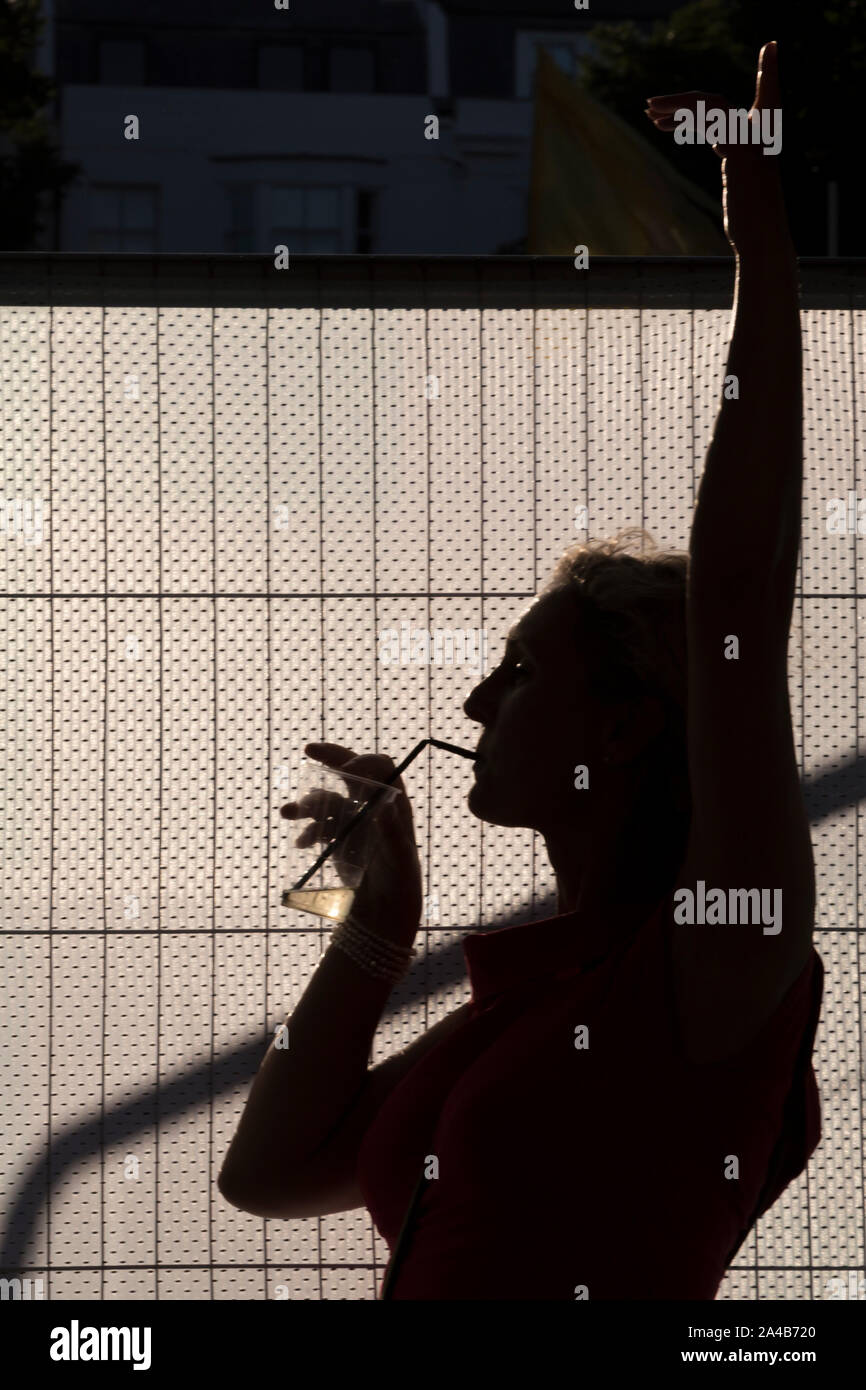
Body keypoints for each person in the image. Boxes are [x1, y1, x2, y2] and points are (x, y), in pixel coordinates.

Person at [218, 41, 823, 1299]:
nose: (474, 703)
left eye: (520, 673)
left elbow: (737, 596)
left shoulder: (713, 958)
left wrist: (758, 243)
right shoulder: (538, 997)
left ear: (622, 727)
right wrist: (378, 927)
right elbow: (267, 1174)